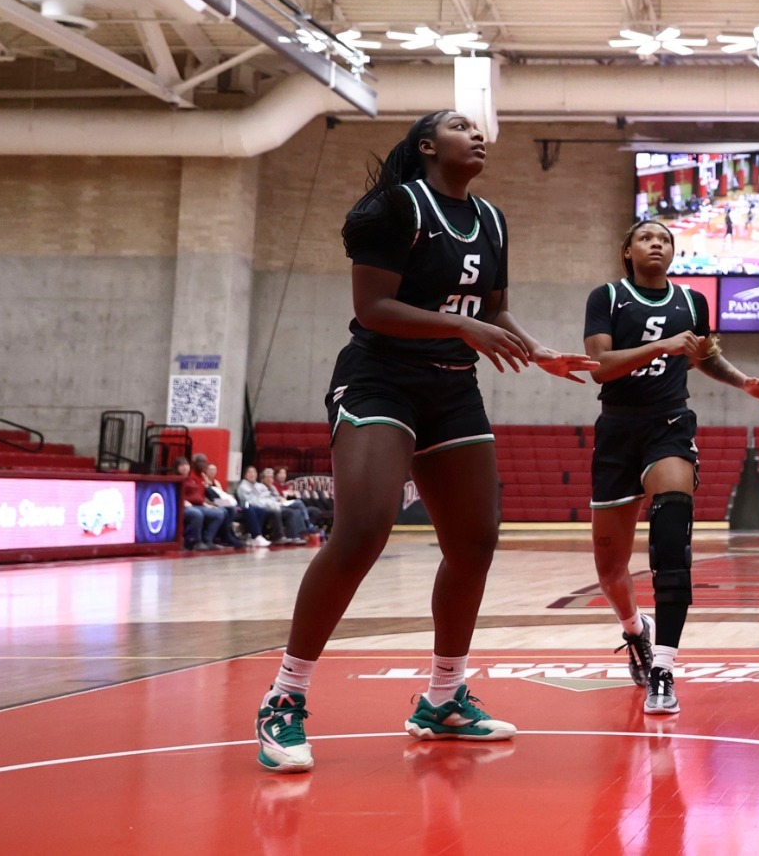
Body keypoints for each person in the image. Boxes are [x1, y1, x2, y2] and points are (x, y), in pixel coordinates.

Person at [255, 110, 597, 773]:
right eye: (462, 126)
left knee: (475, 542)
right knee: (362, 531)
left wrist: (538, 351)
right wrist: (461, 328)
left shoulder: (491, 219)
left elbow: (492, 311)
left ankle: (443, 698)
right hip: (379, 379)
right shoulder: (395, 207)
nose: (479, 135)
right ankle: (284, 696)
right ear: (427, 145)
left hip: (452, 387)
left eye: (479, 129)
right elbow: (373, 308)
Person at [585, 218, 759, 717]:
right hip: (617, 431)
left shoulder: (692, 302)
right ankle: (635, 631)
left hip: (669, 425)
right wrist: (661, 347)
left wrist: (743, 381)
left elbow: (705, 357)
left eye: (665, 239)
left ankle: (664, 669)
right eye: (646, 237)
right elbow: (600, 367)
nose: (657, 244)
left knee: (672, 540)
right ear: (627, 251)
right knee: (610, 570)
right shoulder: (608, 297)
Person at [177, 457, 229, 551]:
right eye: (211, 470)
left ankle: (210, 539)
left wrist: (208, 502)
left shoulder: (215, 482)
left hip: (213, 501)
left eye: (214, 470)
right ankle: (196, 541)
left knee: (225, 510)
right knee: (200, 513)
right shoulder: (195, 478)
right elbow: (206, 496)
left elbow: (216, 495)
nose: (212, 472)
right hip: (191, 505)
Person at [236, 465, 283, 546]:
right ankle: (256, 536)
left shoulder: (259, 485)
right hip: (247, 507)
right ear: (245, 475)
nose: (252, 474)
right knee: (262, 510)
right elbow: (251, 501)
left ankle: (260, 536)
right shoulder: (243, 486)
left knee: (263, 510)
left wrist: (272, 503)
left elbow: (268, 496)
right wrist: (266, 503)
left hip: (265, 506)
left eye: (254, 472)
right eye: (250, 472)